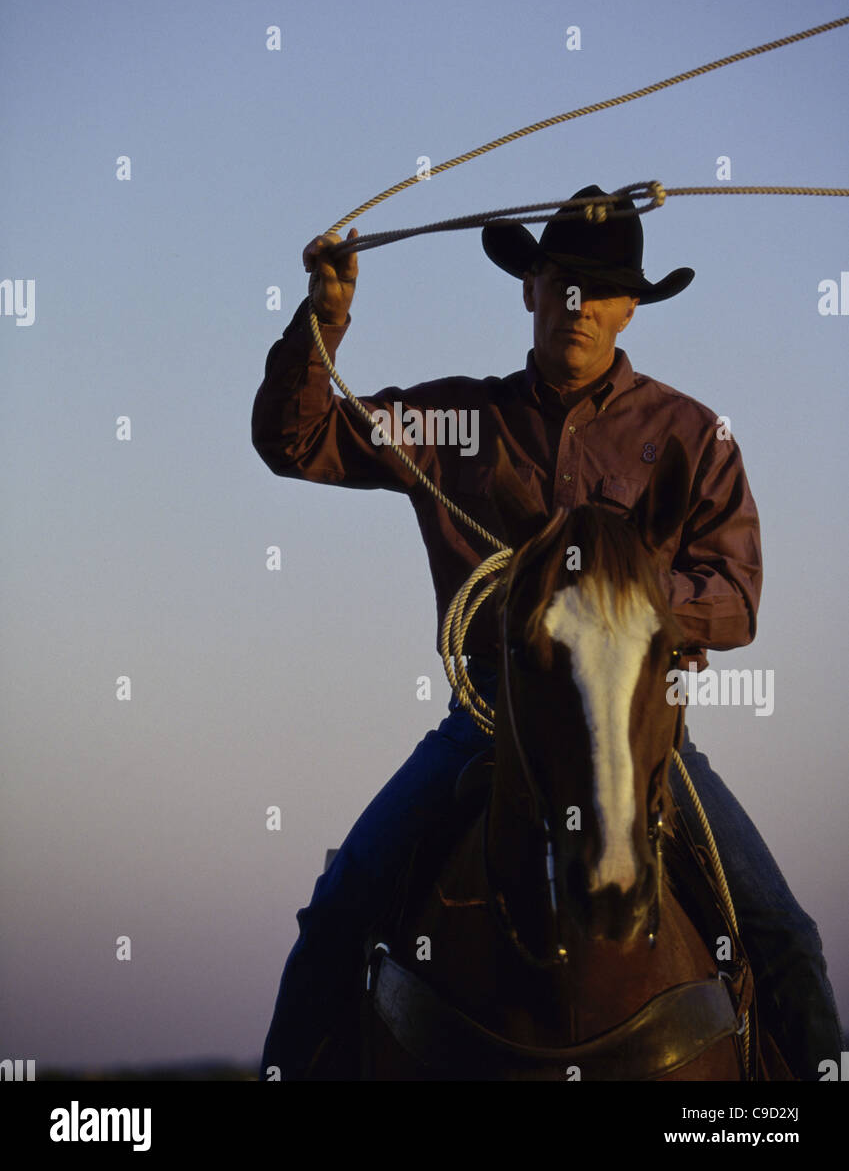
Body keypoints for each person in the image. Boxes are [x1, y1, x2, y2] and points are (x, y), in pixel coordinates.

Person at [252, 185, 842, 1080]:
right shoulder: (456, 424)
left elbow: (734, 595)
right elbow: (296, 441)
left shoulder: (692, 434)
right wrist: (322, 321)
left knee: (784, 938)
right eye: (562, 282)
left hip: (642, 734)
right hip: (487, 720)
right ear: (529, 287)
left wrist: (611, 609)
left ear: (629, 305)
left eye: (600, 289)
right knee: (337, 915)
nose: (578, 305)